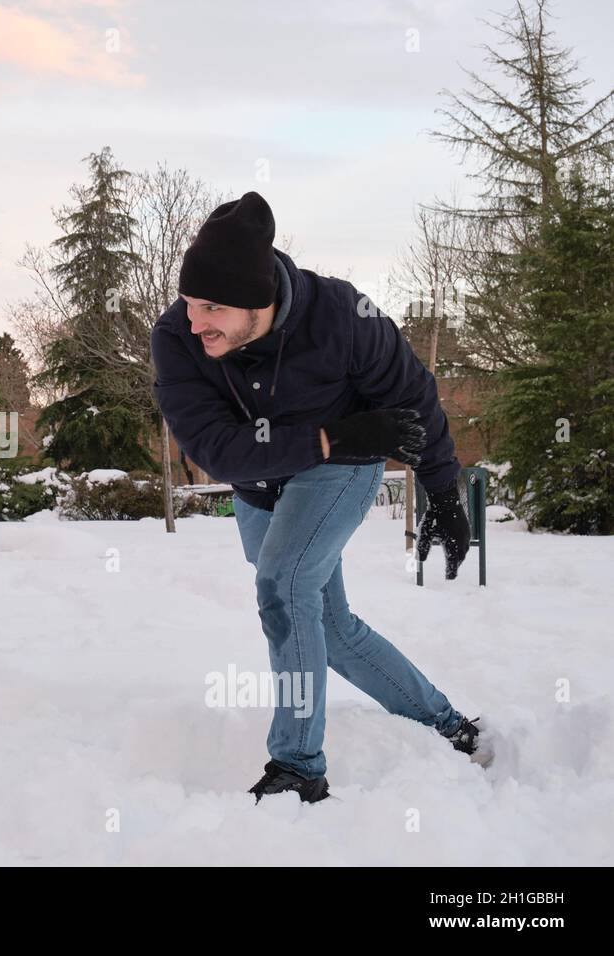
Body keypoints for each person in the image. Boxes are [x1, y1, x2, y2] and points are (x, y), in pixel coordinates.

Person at [150, 191, 483, 804]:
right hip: (262, 483)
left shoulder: (343, 315)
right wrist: (329, 435)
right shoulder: (177, 337)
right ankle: (447, 723)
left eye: (212, 307)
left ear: (259, 300)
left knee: (283, 586)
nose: (196, 322)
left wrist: (443, 491)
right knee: (330, 624)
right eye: (191, 304)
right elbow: (216, 449)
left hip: (339, 473)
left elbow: (413, 395)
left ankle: (299, 764)